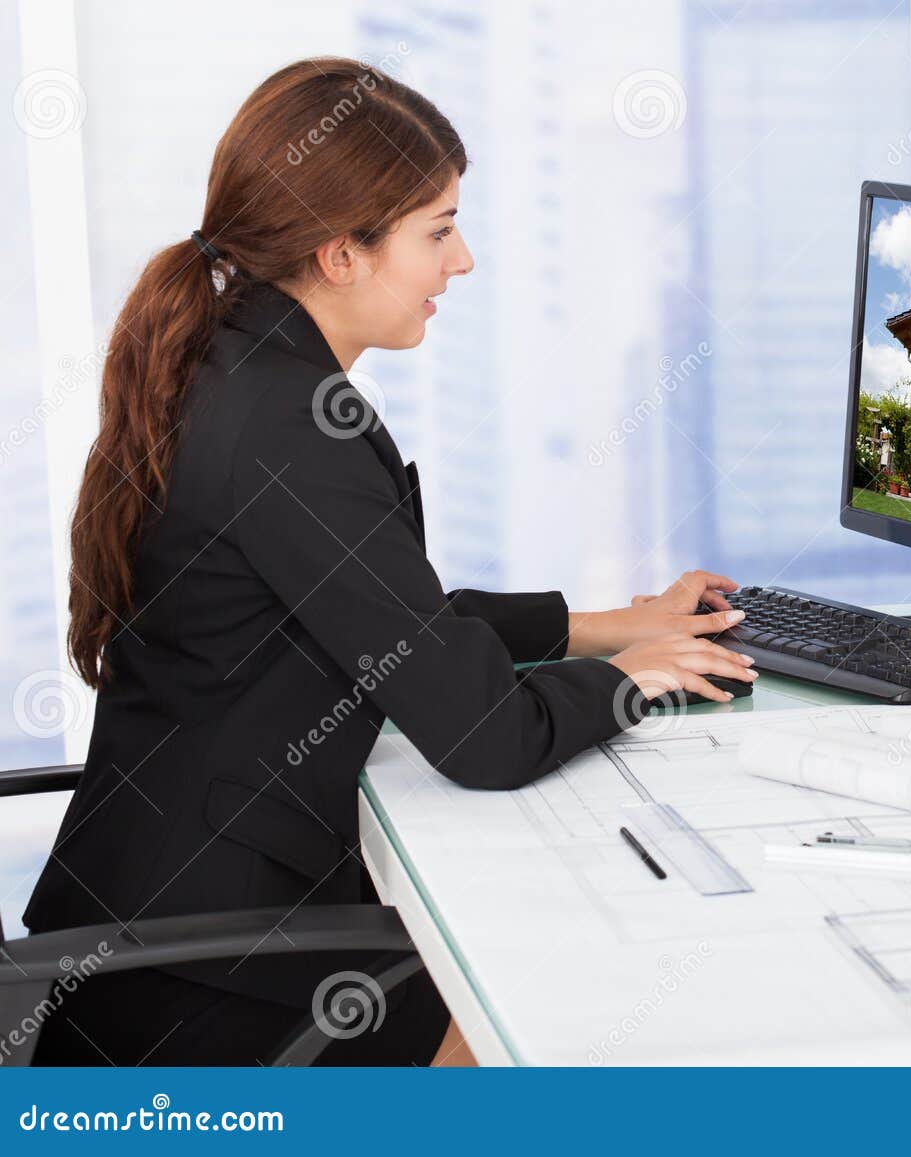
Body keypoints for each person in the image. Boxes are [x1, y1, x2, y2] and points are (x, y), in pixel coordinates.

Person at [23, 57, 755, 1066]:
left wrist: (611, 627)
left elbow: (378, 614)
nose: (462, 263)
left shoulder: (232, 359)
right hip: (200, 984)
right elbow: (486, 740)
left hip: (151, 925)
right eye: (439, 230)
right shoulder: (293, 426)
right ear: (341, 255)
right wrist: (632, 683)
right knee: (565, 1015)